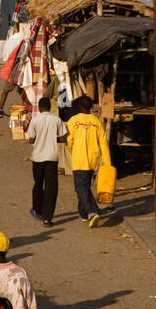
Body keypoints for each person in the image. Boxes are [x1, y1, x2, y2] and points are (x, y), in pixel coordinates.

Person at [66, 95, 114, 227]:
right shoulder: (97, 121)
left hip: (78, 159)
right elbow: (104, 144)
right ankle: (83, 213)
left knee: (80, 187)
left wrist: (72, 150)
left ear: (79, 107)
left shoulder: (73, 121)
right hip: (92, 159)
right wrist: (107, 163)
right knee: (85, 186)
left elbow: (69, 141)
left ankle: (92, 211)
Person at [27, 97, 66, 227]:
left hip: (38, 157)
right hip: (52, 157)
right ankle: (47, 218)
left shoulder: (35, 120)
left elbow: (31, 139)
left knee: (38, 184)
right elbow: (63, 137)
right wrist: (54, 140)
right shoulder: (56, 120)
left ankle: (38, 210)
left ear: (39, 107)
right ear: (50, 107)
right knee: (51, 187)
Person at [0, 25, 24, 116]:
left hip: (12, 64)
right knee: (22, 88)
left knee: (7, 89)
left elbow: (6, 51)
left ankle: (0, 109)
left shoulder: (13, 38)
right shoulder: (22, 38)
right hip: (18, 64)